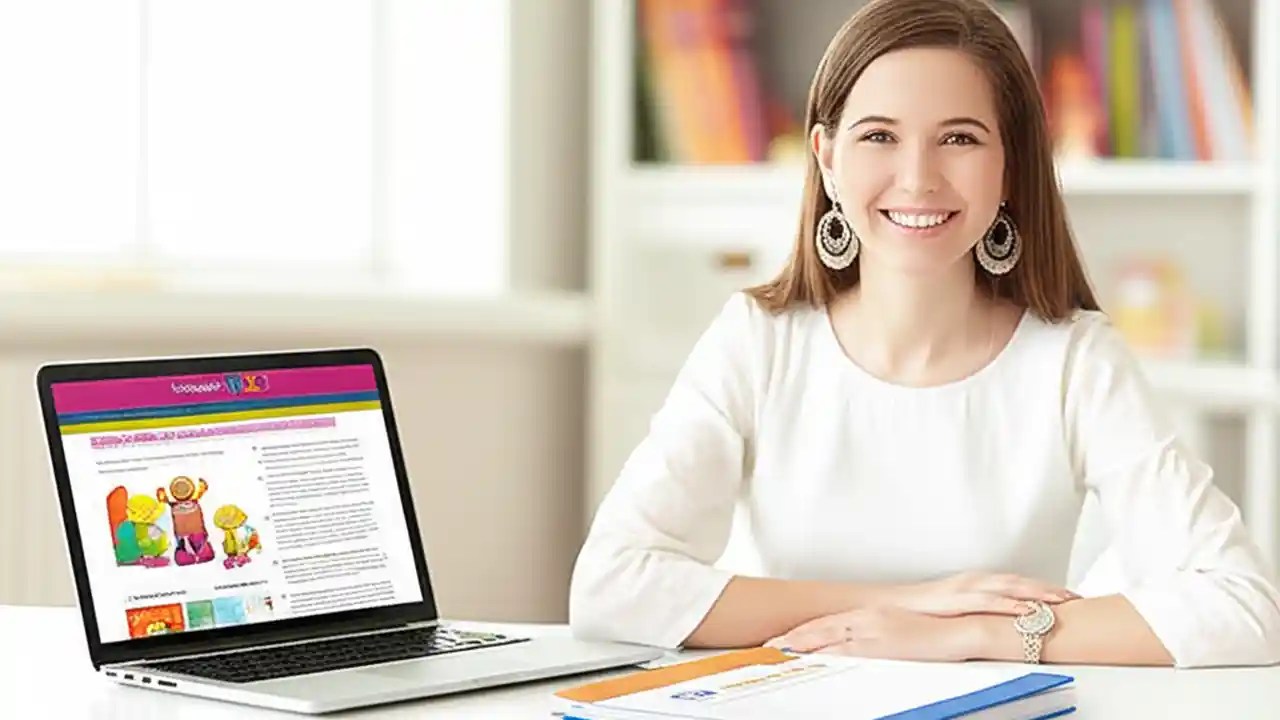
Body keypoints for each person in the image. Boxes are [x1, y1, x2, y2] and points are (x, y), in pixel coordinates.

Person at [568, 0, 1280, 668]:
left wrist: (971, 635)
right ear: (826, 157)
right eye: (879, 135)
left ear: (1010, 166)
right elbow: (612, 587)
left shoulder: (1074, 360)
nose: (918, 178)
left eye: (960, 139)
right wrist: (896, 607)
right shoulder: (758, 340)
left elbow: (1245, 607)